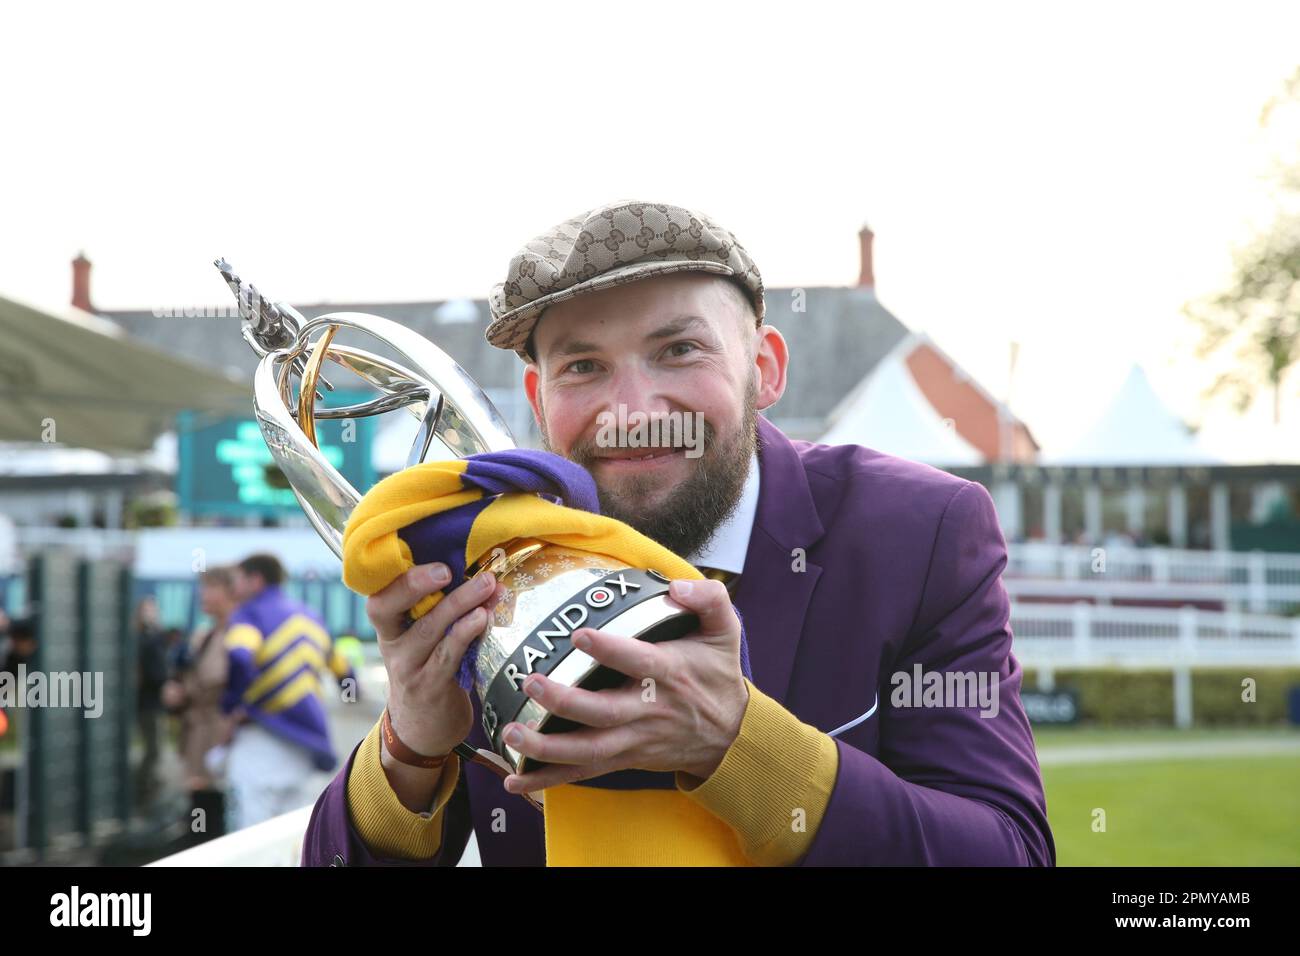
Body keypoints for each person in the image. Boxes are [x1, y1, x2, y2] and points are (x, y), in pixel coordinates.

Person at [302, 200, 1054, 867]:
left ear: (764, 367)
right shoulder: (490, 554)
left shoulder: (917, 535)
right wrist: (411, 744)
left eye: (679, 350)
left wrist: (739, 743)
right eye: (584, 366)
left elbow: (1009, 850)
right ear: (539, 398)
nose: (631, 409)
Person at [222, 553, 355, 830]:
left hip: (261, 736)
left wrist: (232, 705)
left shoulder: (249, 614)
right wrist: (350, 693)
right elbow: (342, 667)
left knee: (250, 840)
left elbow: (240, 655)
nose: (233, 590)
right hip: (306, 743)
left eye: (238, 581)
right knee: (295, 840)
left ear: (255, 580)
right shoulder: (310, 616)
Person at [160, 566, 236, 845]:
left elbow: (222, 682)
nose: (202, 595)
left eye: (209, 588)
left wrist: (187, 690)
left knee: (213, 827)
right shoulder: (208, 634)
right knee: (201, 821)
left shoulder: (238, 634)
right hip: (200, 740)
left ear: (230, 592)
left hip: (220, 741)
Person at [133, 596, 169, 805]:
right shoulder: (142, 638)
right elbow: (153, 671)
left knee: (155, 747)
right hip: (147, 701)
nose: (150, 614)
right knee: (153, 748)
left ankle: (148, 786)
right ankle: (143, 788)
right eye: (146, 610)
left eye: (152, 610)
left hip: (154, 700)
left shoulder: (155, 636)